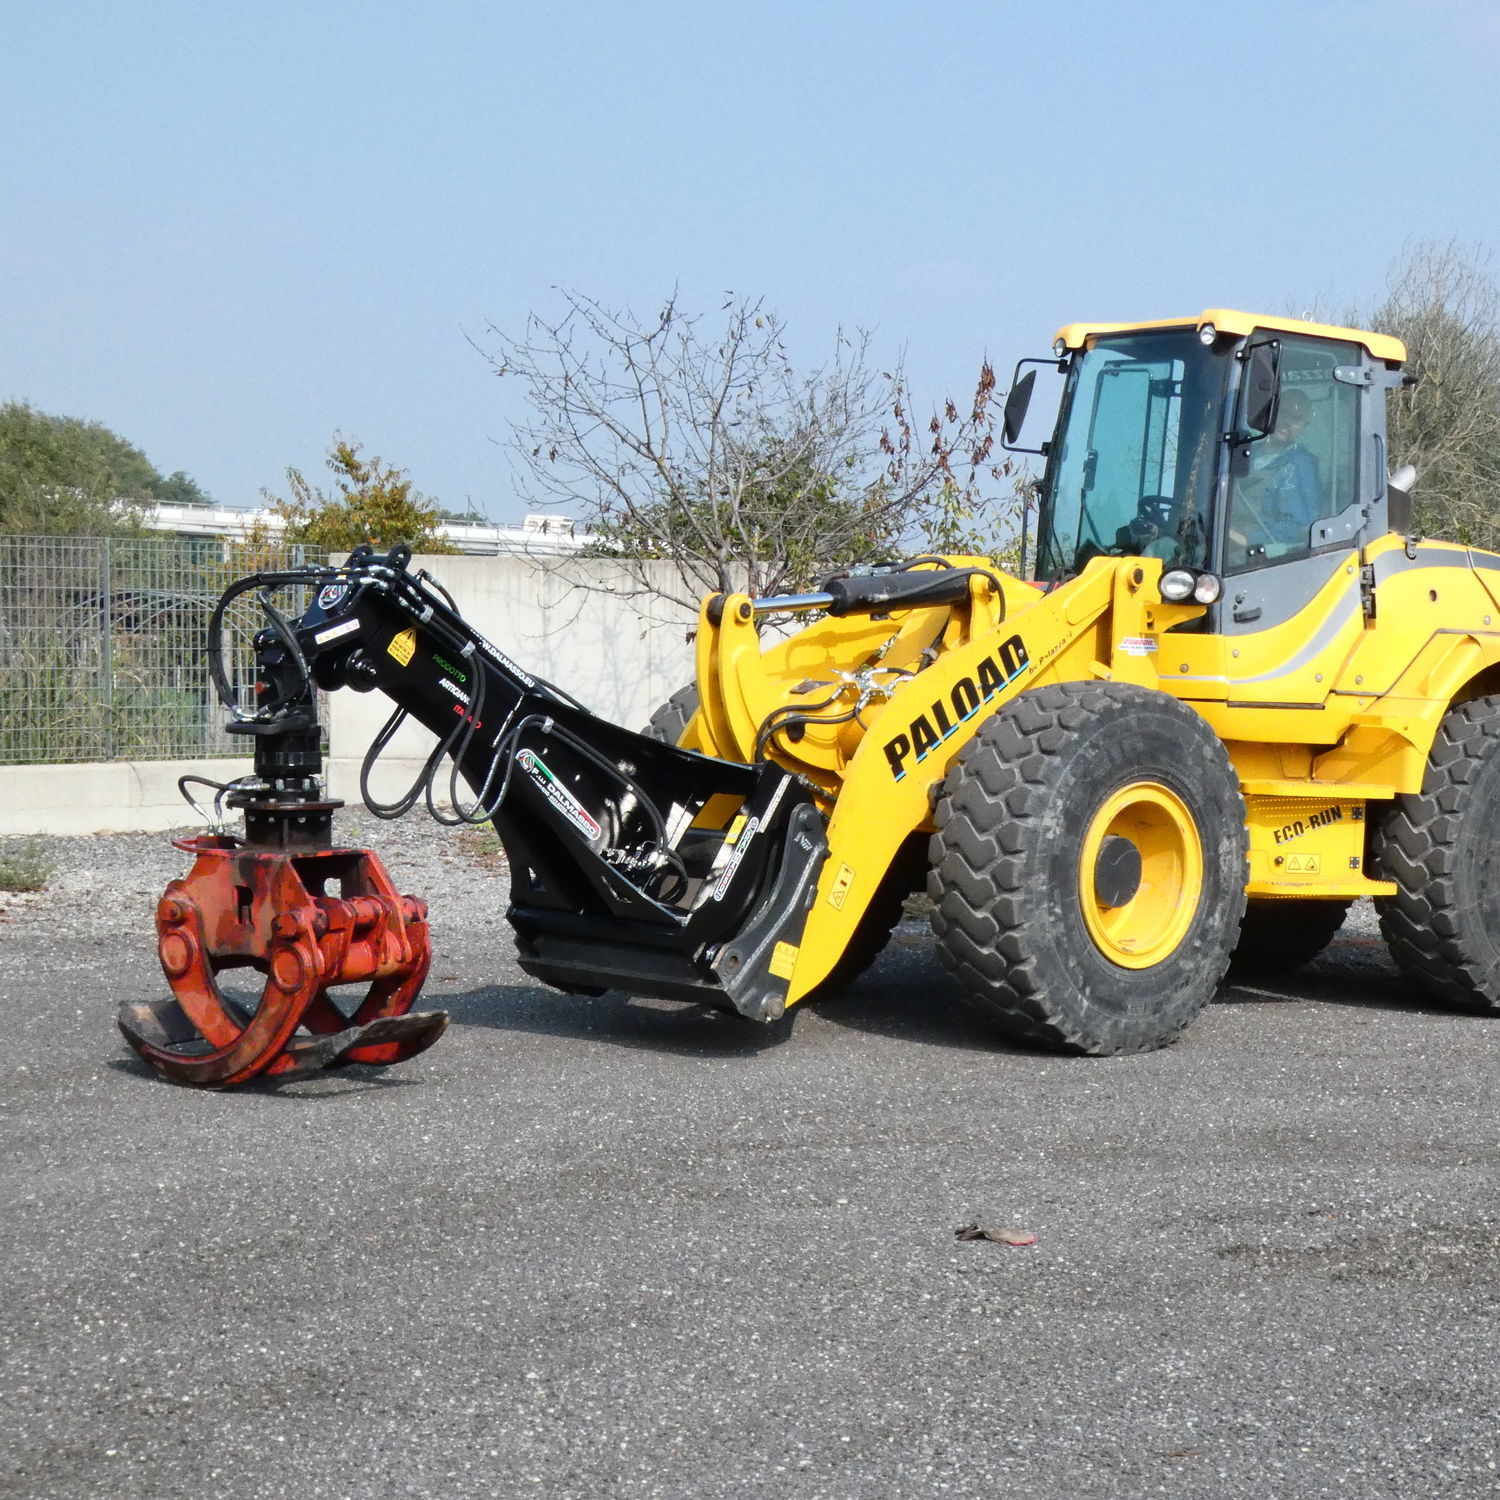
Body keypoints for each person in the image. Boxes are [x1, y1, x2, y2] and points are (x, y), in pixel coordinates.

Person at [1229, 387, 1322, 564]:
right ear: (1272, 414)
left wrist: (1248, 539)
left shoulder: (1299, 466)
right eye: (1283, 413)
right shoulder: (1245, 451)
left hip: (1258, 555)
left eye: (1296, 419)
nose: (1287, 422)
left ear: (1304, 426)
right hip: (1223, 537)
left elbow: (1298, 526)